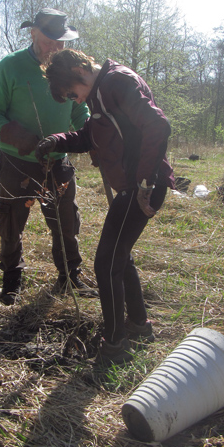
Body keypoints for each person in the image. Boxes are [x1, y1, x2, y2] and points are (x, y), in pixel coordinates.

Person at [36, 49, 175, 366]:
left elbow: (157, 126)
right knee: (118, 256)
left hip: (141, 188)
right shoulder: (98, 95)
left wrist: (144, 183)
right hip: (132, 187)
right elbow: (90, 136)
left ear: (79, 68)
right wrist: (56, 140)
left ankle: (114, 344)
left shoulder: (116, 82)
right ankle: (139, 325)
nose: (74, 99)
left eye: (72, 92)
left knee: (105, 264)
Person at [0, 8, 95, 305]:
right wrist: (15, 135)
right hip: (16, 162)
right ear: (33, 33)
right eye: (49, 40)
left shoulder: (67, 68)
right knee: (10, 224)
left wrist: (92, 134)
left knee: (66, 223)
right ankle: (11, 280)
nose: (55, 48)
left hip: (57, 161)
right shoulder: (10, 66)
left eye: (61, 41)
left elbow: (78, 110)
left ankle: (70, 277)